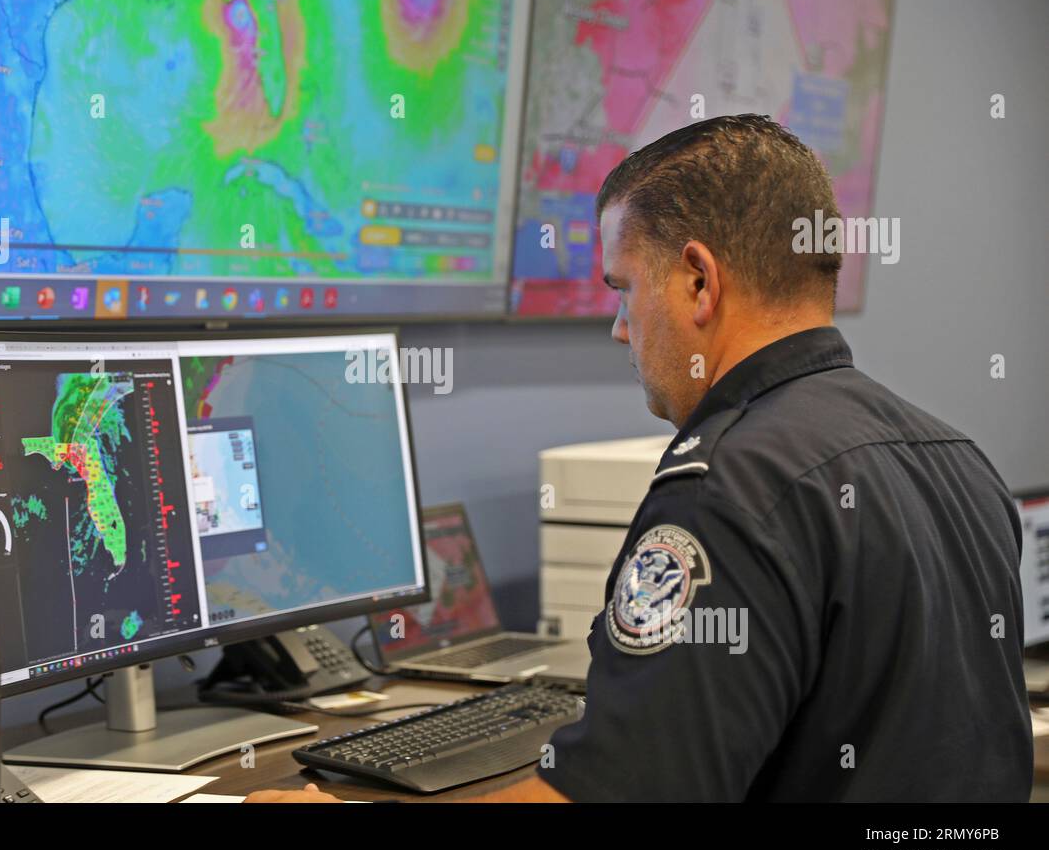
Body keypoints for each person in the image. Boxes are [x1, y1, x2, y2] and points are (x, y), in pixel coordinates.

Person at [247, 115, 1032, 803]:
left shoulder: (727, 487)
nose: (620, 329)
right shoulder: (956, 457)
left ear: (697, 280)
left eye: (623, 290)